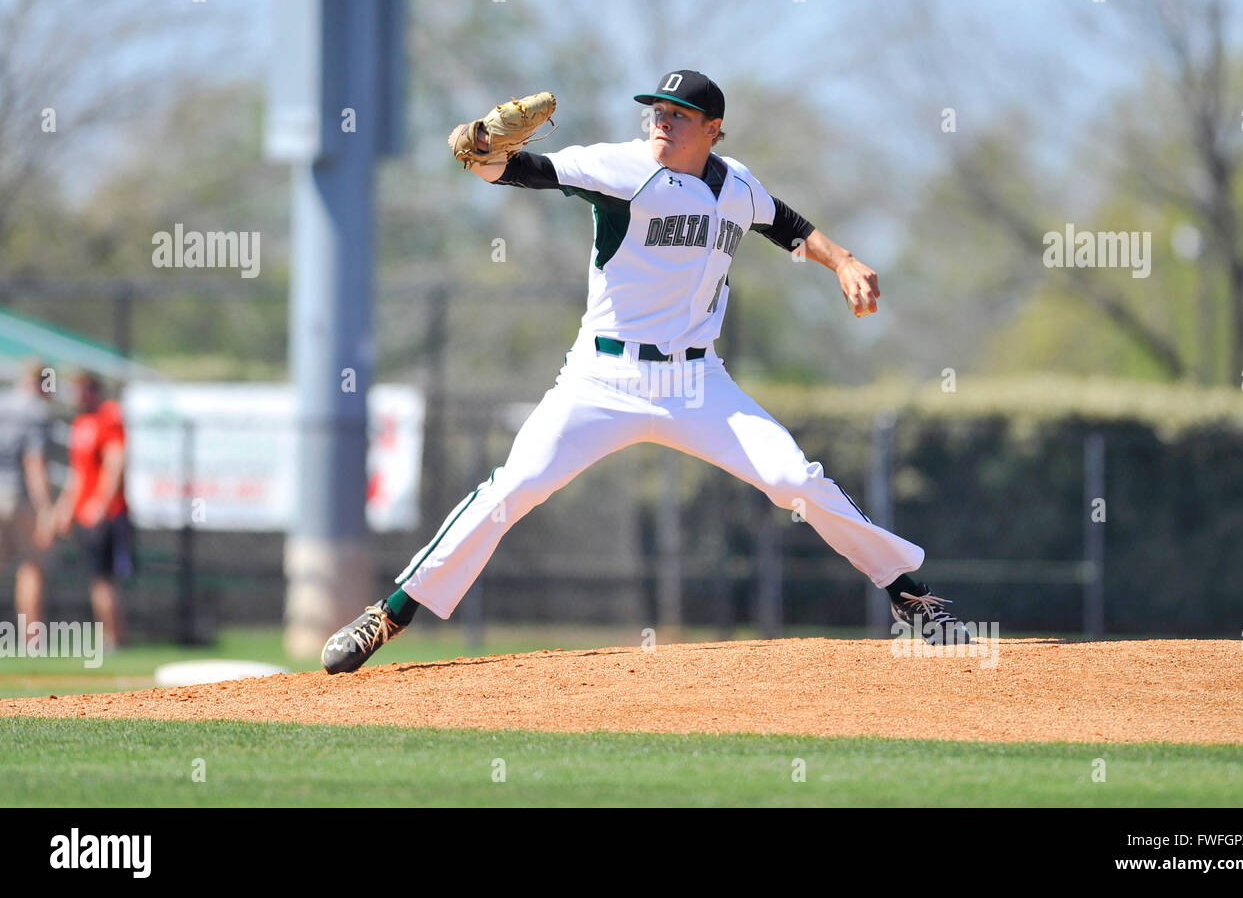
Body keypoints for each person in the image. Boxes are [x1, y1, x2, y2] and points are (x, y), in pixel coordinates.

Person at [322, 69, 970, 674]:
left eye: (679, 114)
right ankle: (390, 614)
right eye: (657, 111)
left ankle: (911, 598)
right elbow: (520, 171)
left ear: (713, 128)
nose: (661, 121)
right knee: (513, 487)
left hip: (698, 384)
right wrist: (482, 145)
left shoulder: (737, 185)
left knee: (794, 478)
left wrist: (844, 262)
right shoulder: (620, 167)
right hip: (602, 380)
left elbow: (789, 225)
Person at [51, 372, 130, 648]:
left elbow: (114, 463)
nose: (76, 394)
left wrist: (101, 502)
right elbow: (77, 474)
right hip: (84, 513)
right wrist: (64, 509)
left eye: (81, 388)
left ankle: (115, 638)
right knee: (97, 578)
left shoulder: (108, 417)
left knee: (103, 579)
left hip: (105, 514)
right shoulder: (80, 423)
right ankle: (112, 636)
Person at [2, 361, 56, 646]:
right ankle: (32, 641)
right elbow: (34, 463)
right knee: (31, 566)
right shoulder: (36, 411)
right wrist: (46, 509)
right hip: (17, 496)